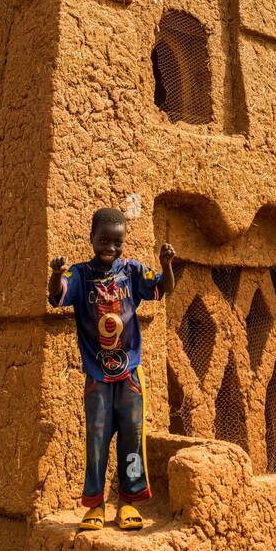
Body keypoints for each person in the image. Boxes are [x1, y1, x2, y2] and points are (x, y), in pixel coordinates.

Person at [48, 207, 176, 533]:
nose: (110, 247)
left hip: (130, 372)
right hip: (97, 375)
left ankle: (128, 503)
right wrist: (54, 273)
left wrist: (167, 265)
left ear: (123, 242)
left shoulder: (132, 271)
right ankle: (94, 505)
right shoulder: (79, 275)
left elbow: (164, 289)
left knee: (131, 437)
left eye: (116, 242)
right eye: (103, 240)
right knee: (96, 438)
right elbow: (55, 297)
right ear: (91, 238)